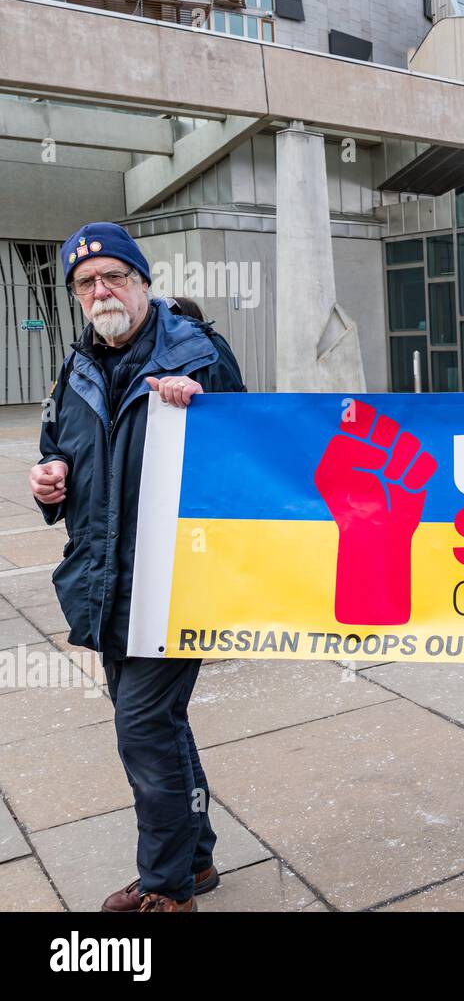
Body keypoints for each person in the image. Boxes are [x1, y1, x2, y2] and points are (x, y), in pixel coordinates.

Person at [29, 223, 245, 912]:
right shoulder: (75, 367)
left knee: (143, 728)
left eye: (115, 277)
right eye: (87, 283)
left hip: (175, 582)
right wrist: (50, 478)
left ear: (143, 282)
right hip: (102, 583)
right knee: (163, 726)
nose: (101, 291)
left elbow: (249, 459)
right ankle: (199, 858)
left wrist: (203, 413)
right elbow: (54, 444)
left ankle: (167, 886)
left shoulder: (201, 354)